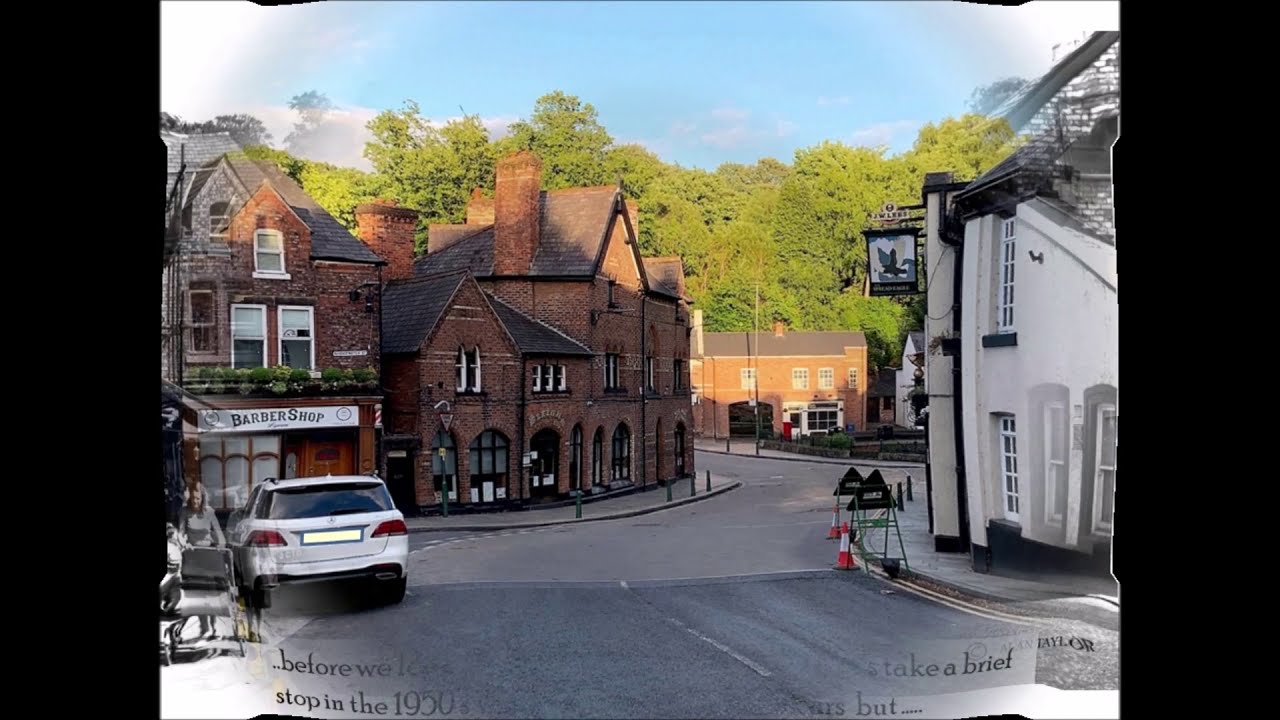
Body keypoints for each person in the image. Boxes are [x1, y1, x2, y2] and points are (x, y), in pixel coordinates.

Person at [179, 483, 226, 639]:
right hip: (193, 557)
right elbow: (180, 533)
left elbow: (219, 533)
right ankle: (204, 627)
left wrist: (221, 543)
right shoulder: (184, 512)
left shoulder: (210, 512)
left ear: (203, 498)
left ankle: (213, 627)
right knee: (198, 594)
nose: (195, 502)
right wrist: (183, 542)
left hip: (209, 555)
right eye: (192, 498)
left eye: (198, 498)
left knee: (211, 593)